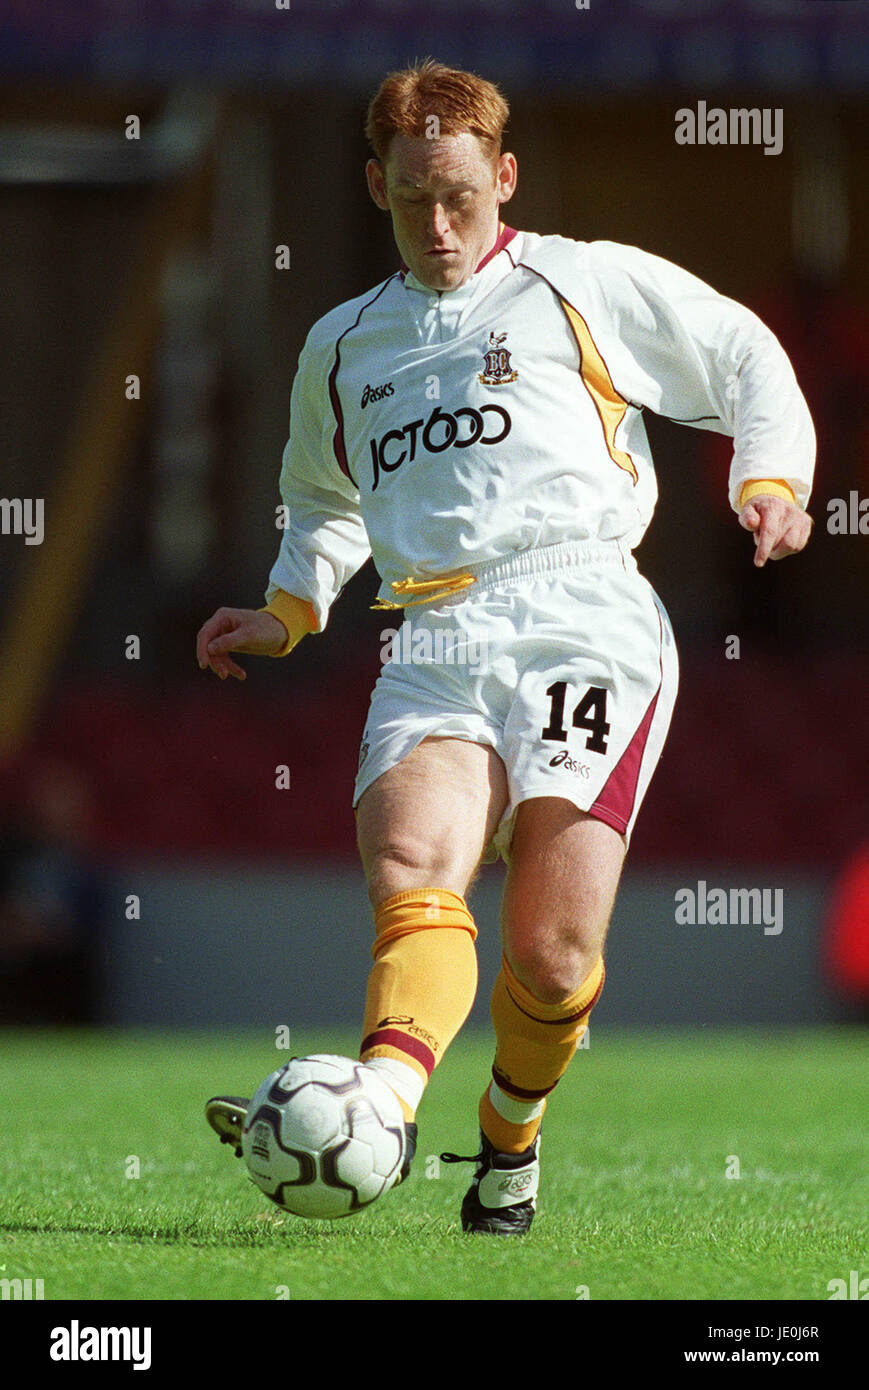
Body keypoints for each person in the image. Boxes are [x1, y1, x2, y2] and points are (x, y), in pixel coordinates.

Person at [197, 60, 814, 1235]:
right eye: (411, 197)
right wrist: (287, 607)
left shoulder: (578, 280)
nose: (437, 224)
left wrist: (769, 477)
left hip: (582, 611)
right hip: (432, 628)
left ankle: (510, 1138)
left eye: (461, 197)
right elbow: (322, 501)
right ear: (373, 184)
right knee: (414, 869)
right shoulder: (340, 345)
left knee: (549, 955)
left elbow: (740, 354)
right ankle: (377, 1102)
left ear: (504, 176)